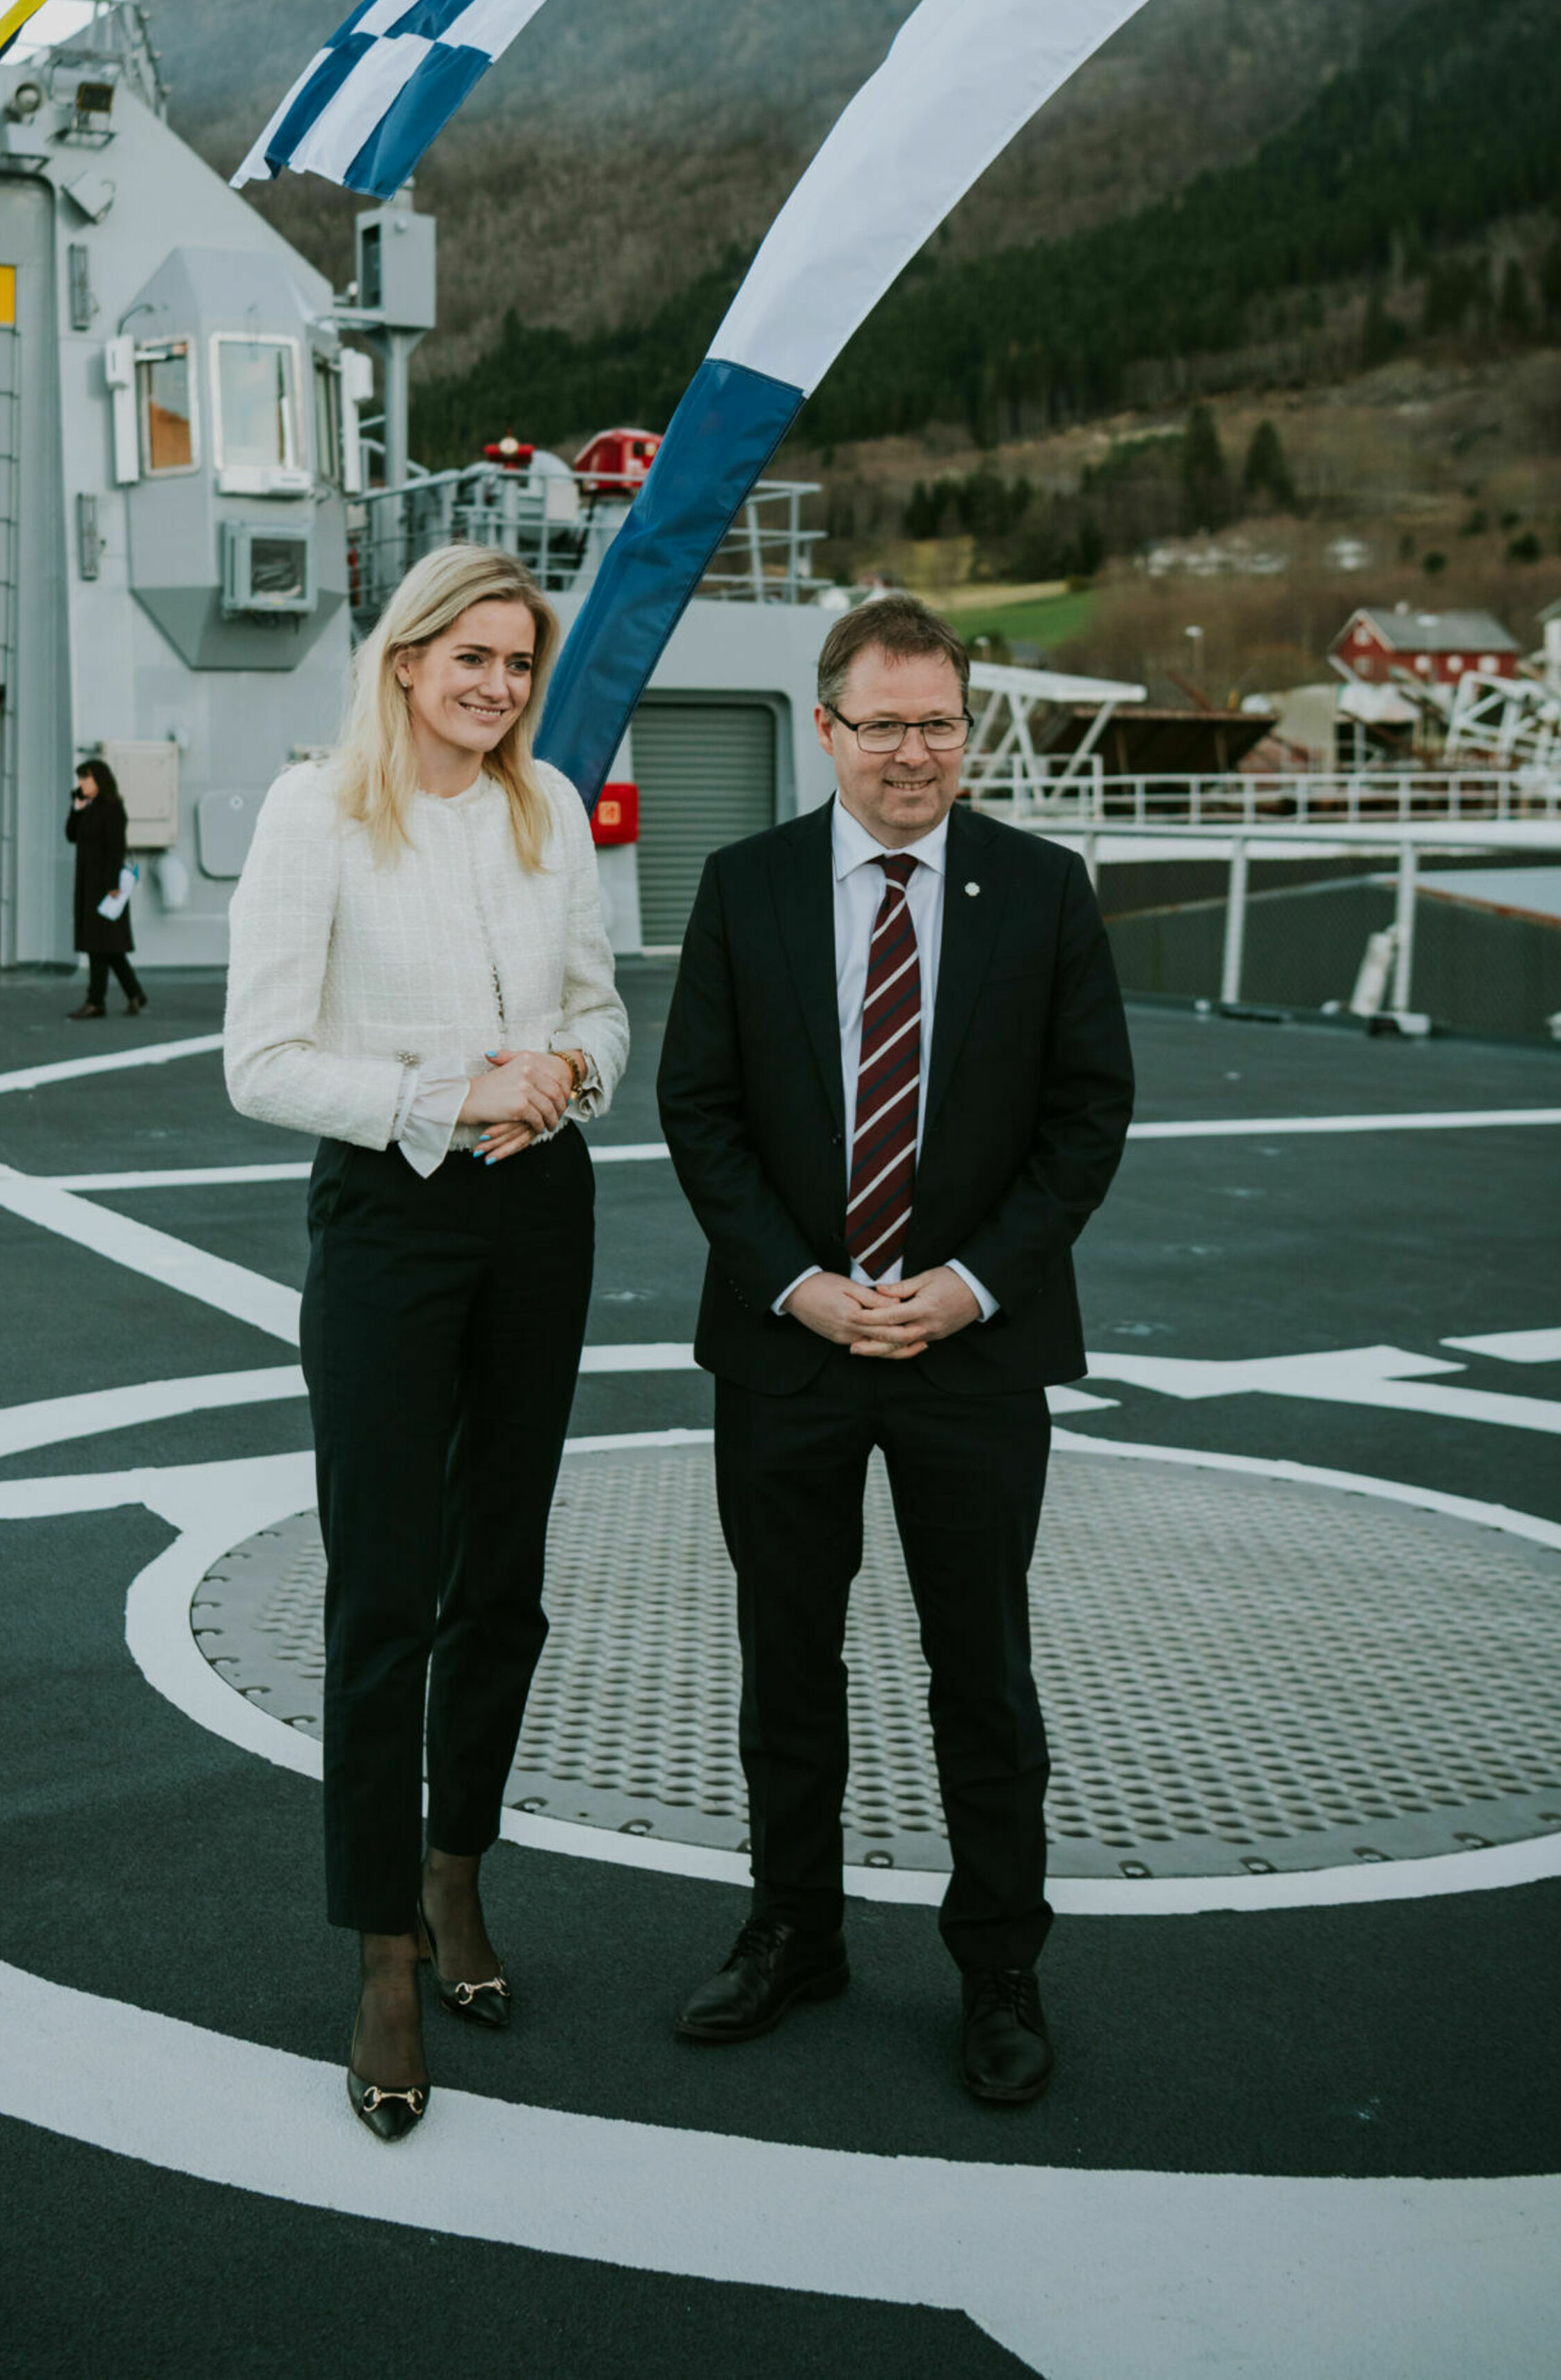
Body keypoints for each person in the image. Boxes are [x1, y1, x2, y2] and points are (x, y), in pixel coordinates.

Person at [657, 591, 1132, 2105]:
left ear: (967, 725)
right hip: (787, 1347)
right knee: (787, 1662)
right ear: (827, 726)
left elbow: (1087, 1113)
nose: (914, 750)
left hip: (972, 1355)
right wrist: (796, 1281)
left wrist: (977, 1284)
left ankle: (1000, 1964)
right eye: (885, 721)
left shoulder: (1045, 887)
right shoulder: (746, 886)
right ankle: (794, 1927)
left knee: (980, 1671)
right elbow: (701, 1111)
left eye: (940, 720)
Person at [225, 546, 628, 2143]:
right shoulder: (315, 810)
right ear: (404, 661)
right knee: (384, 1588)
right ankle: (383, 1947)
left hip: (537, 1210)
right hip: (388, 1218)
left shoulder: (544, 817)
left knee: (503, 1574)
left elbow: (601, 1011)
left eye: (516, 667)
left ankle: (458, 1870)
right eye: (469, 660)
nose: (495, 689)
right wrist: (444, 1094)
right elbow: (258, 1060)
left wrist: (560, 1075)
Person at [65, 758, 144, 1019]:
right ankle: (134, 993)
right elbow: (71, 835)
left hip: (104, 886)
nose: (82, 784)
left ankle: (95, 1001)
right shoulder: (88, 808)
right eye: (80, 779)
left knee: (99, 945)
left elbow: (115, 849)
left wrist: (112, 885)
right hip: (88, 883)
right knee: (108, 947)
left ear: (100, 780)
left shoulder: (112, 809)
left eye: (86, 779)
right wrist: (76, 809)